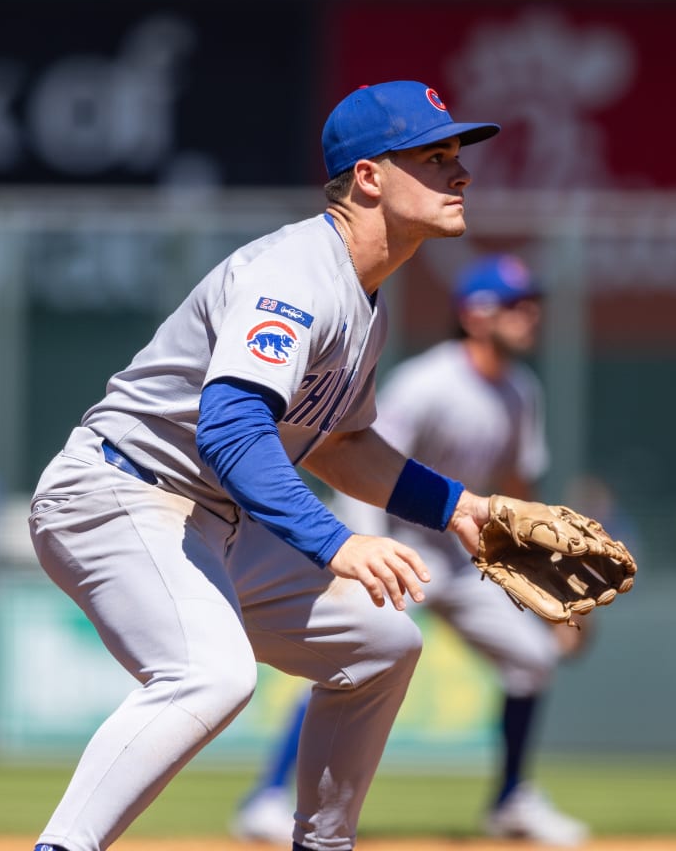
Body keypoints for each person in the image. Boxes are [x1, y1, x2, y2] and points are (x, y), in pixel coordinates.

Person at [27, 80, 504, 851]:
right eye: (434, 156)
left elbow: (341, 445)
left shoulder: (364, 299)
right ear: (369, 177)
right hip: (123, 490)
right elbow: (232, 430)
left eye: (457, 154)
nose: (461, 172)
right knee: (209, 675)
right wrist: (337, 542)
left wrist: (462, 509)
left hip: (212, 519)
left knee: (382, 647)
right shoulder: (294, 275)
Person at [231, 254, 592, 847]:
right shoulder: (429, 383)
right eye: (516, 304)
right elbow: (355, 458)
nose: (530, 314)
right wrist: (359, 553)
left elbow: (516, 493)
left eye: (533, 304)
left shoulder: (521, 392)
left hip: (460, 558)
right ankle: (266, 800)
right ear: (475, 314)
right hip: (395, 547)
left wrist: (545, 581)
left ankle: (511, 801)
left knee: (532, 660)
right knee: (351, 652)